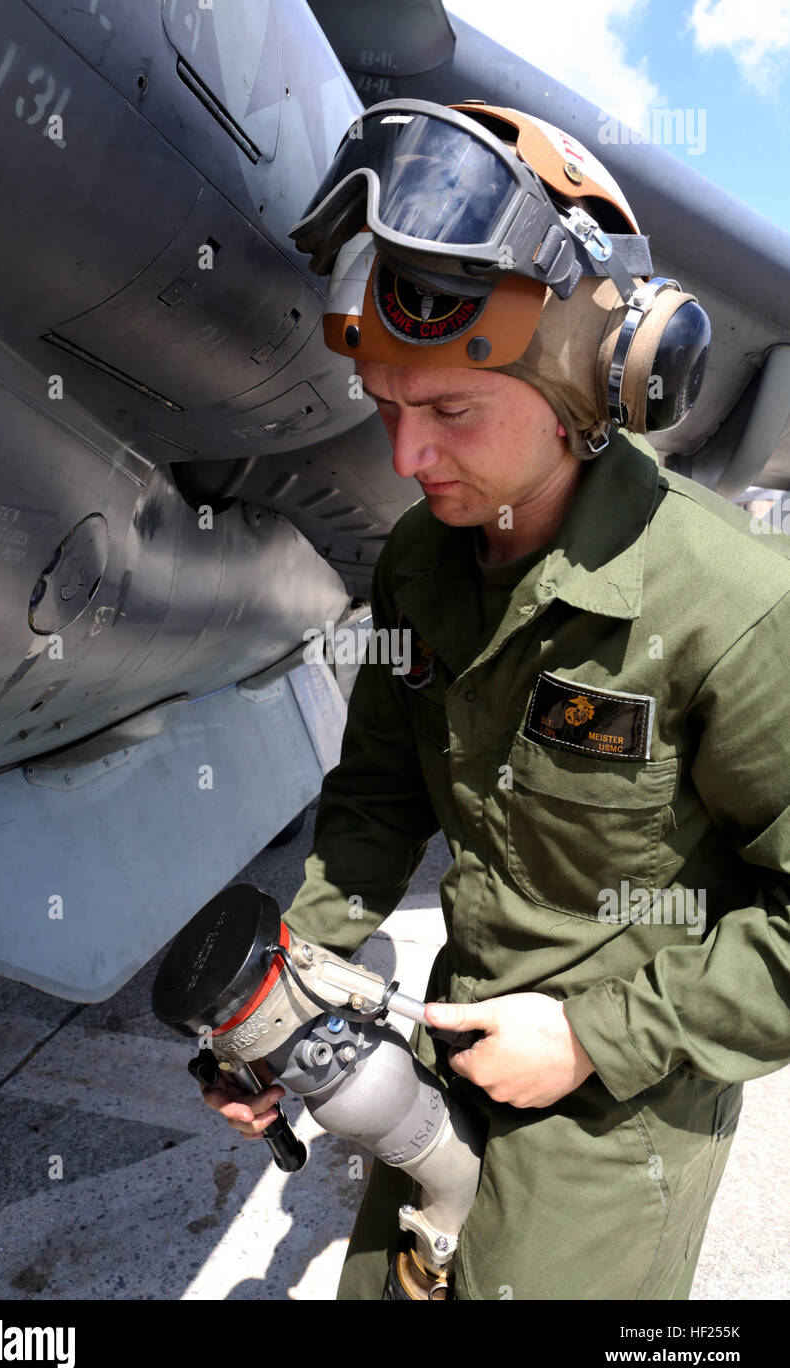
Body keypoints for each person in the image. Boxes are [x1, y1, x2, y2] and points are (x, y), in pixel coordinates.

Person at [201, 100, 790, 1300]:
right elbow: (375, 796)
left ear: (592, 384)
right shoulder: (421, 562)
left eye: (449, 412)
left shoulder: (730, 606)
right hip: (444, 1058)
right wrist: (284, 999)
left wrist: (589, 1037)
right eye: (385, 407)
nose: (406, 459)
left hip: (619, 1118)